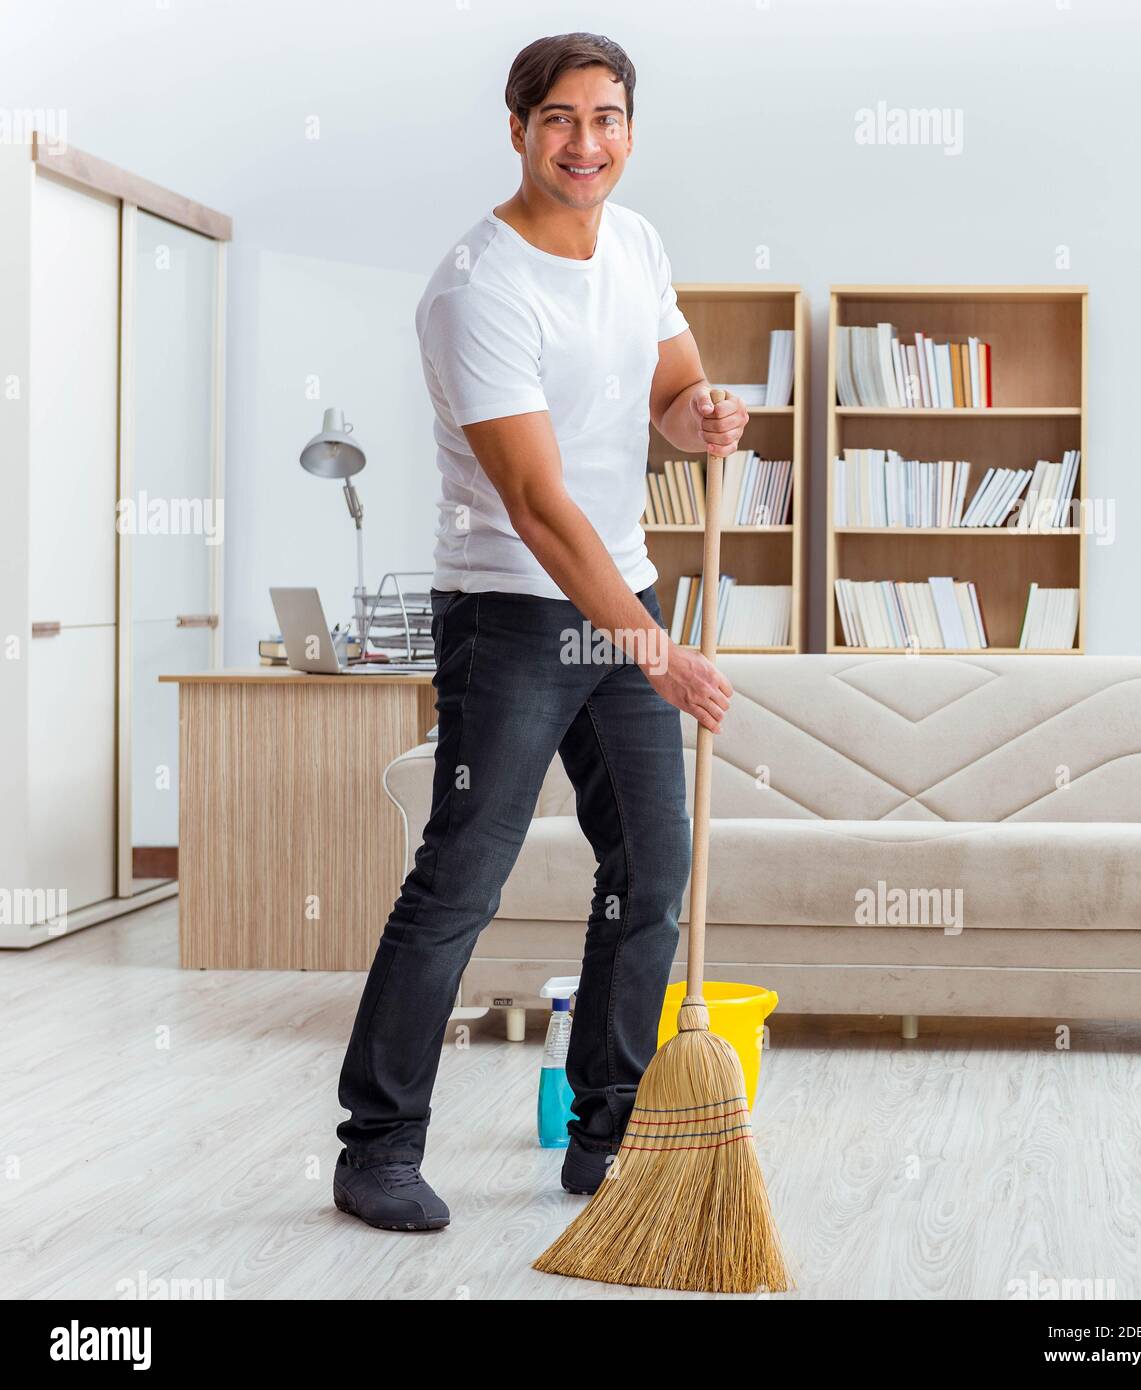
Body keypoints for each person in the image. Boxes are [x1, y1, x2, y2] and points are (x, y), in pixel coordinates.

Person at [333, 31, 746, 1231]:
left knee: (653, 870)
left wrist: (700, 414)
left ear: (628, 128)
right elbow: (537, 504)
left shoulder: (637, 241)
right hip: (510, 607)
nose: (586, 143)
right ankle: (377, 1147)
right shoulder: (476, 287)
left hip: (622, 592)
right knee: (463, 873)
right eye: (560, 119)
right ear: (516, 129)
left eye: (607, 118)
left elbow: (670, 397)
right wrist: (654, 653)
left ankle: (604, 1133)